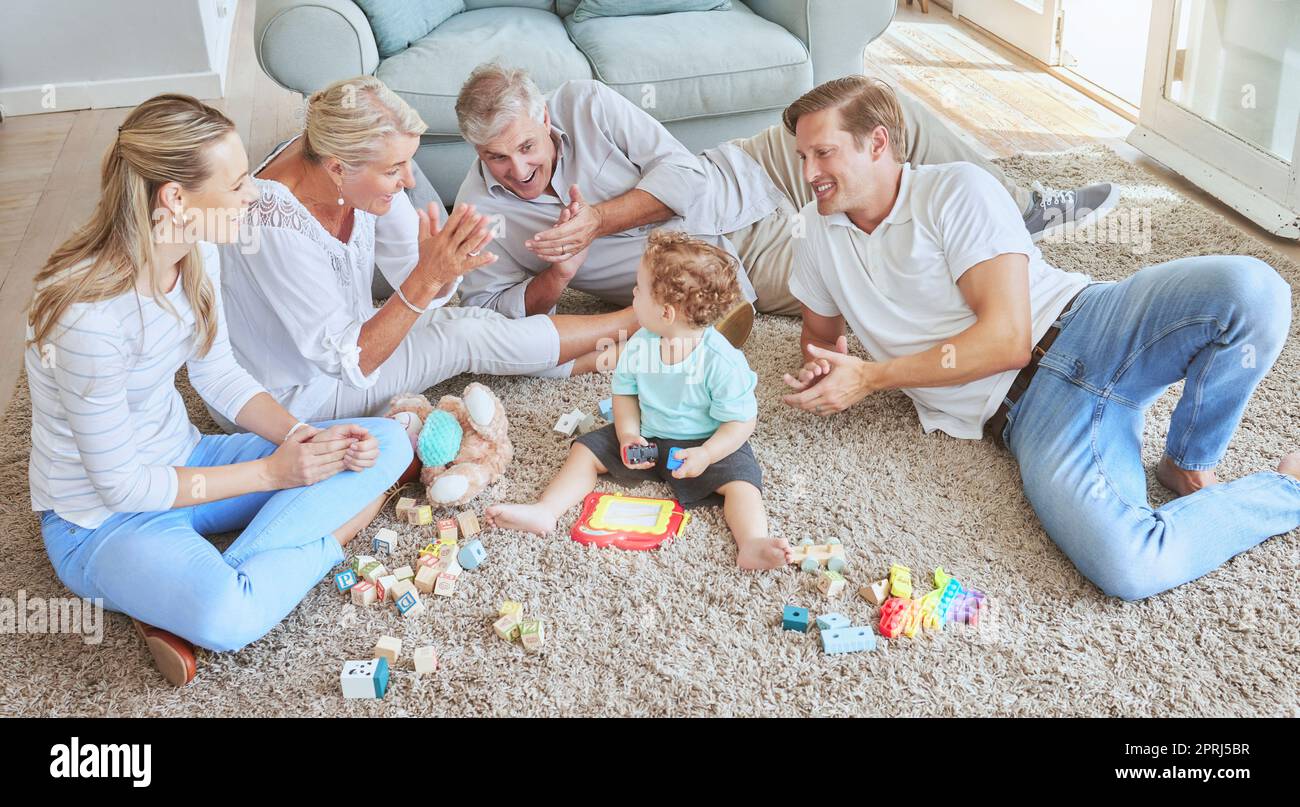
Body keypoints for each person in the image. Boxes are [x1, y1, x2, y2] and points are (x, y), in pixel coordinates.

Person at [778, 76, 1298, 601]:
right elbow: (821, 339)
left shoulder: (955, 189)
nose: (808, 173)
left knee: (1255, 292)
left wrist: (871, 377)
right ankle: (1288, 490)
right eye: (802, 156)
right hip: (1031, 417)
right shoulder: (813, 233)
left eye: (823, 153)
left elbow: (1007, 341)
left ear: (877, 143)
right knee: (1129, 565)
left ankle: (1188, 461)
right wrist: (823, 373)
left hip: (1091, 322)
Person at [26, 94, 410, 686]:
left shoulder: (197, 248)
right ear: (176, 199)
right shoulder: (86, 319)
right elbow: (122, 484)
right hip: (102, 519)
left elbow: (219, 373)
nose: (255, 192)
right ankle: (317, 541)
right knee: (230, 614)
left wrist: (303, 439)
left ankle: (176, 593)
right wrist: (275, 476)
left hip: (188, 460)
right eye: (236, 184)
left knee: (386, 443)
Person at [453, 63, 1118, 326]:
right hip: (720, 268)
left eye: (527, 148)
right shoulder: (480, 214)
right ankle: (994, 269)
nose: (516, 169)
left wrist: (596, 219)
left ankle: (1015, 207)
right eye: (496, 158)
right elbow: (492, 308)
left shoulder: (587, 103)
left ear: (543, 119)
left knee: (877, 110)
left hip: (745, 172)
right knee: (865, 275)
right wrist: (560, 272)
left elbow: (682, 176)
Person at [215, 76, 636, 431]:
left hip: (352, 346)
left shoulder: (347, 162)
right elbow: (354, 362)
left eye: (408, 162)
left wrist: (439, 265)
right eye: (395, 169)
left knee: (478, 323)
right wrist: (428, 277)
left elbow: (419, 286)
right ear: (338, 167)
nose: (409, 179)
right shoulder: (274, 226)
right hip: (291, 400)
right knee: (464, 335)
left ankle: (610, 348)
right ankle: (636, 322)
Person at [487, 231, 787, 569]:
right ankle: (546, 510)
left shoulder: (722, 361)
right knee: (585, 451)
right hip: (648, 434)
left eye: (639, 290)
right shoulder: (640, 343)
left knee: (743, 483)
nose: (633, 294)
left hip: (706, 441)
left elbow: (741, 421)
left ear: (667, 313)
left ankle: (752, 542)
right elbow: (626, 393)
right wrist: (629, 434)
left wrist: (707, 454)